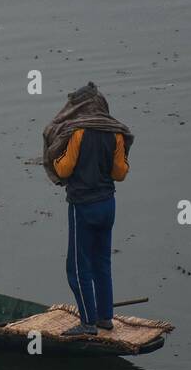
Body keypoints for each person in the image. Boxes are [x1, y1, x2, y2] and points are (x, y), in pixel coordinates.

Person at [41, 83, 134, 337]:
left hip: (83, 207)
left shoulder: (78, 133)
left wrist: (55, 157)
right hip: (108, 206)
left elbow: (63, 169)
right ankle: (105, 317)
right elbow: (120, 172)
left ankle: (87, 323)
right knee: (102, 261)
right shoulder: (114, 133)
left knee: (78, 267)